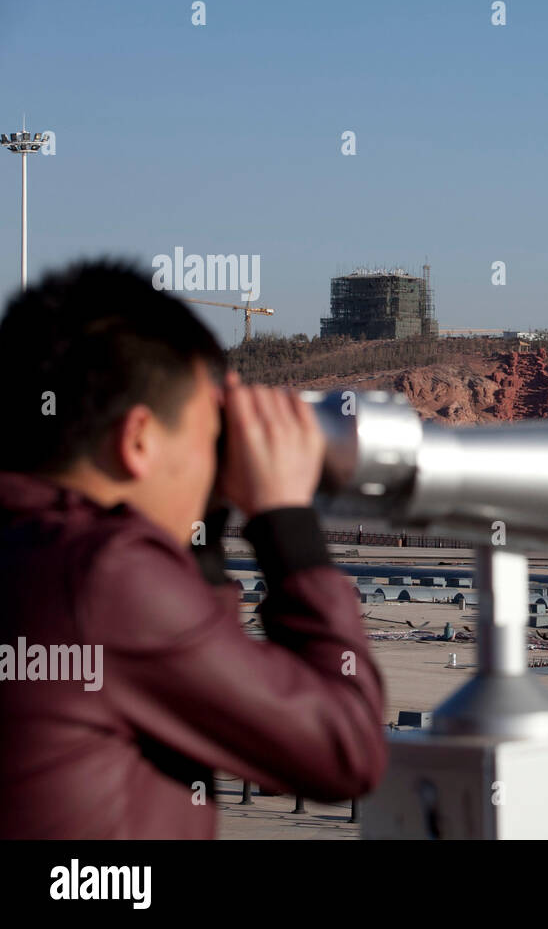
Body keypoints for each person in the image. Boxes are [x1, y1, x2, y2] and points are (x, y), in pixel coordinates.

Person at [0, 260, 387, 838]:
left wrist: (204, 523)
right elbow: (344, 748)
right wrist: (284, 520)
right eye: (211, 440)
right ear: (137, 440)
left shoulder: (31, 548)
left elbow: (206, 692)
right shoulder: (103, 575)